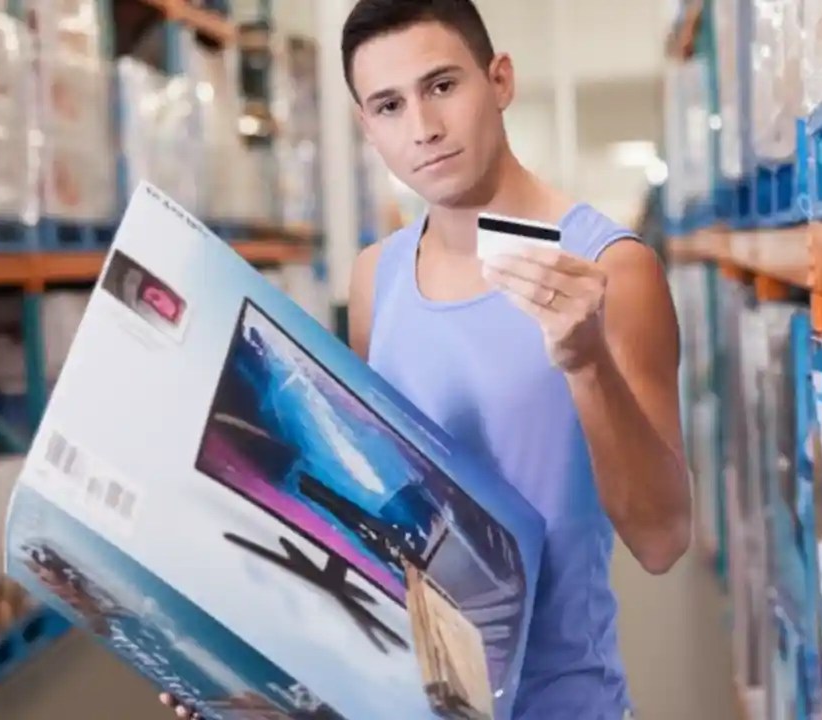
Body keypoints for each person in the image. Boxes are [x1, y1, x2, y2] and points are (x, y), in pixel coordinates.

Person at [163, 1, 690, 718]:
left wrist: (587, 363)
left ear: (499, 81)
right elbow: (371, 531)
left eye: (442, 86)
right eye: (389, 105)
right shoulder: (374, 279)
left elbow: (662, 539)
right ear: (366, 126)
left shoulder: (609, 270)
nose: (423, 128)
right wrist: (247, 674)